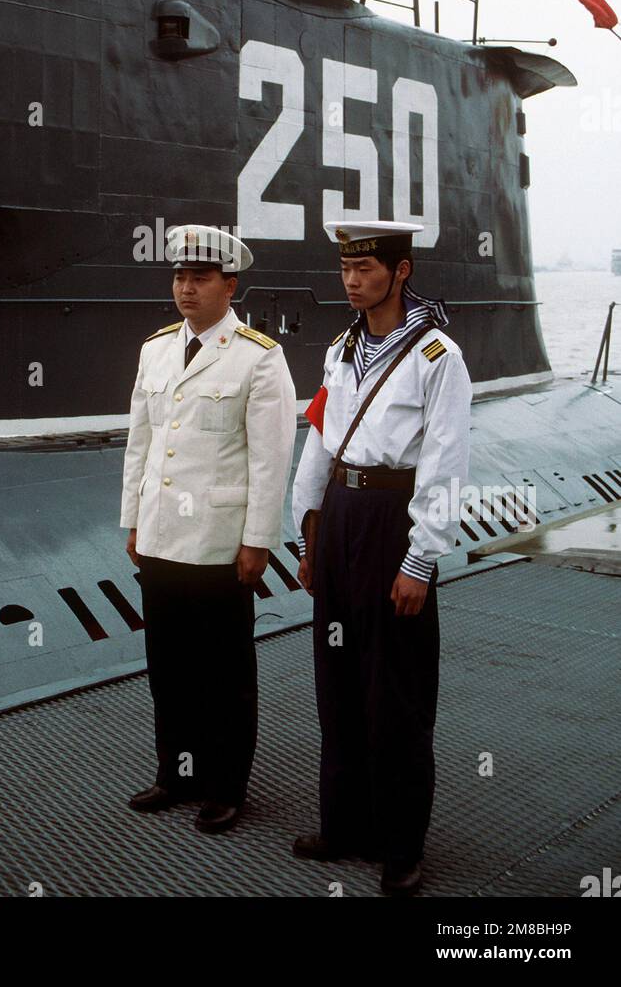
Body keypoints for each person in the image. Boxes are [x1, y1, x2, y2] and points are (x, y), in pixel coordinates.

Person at [290, 220, 472, 895]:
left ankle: (400, 846)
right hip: (340, 515)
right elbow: (320, 441)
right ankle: (343, 825)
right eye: (344, 268)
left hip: (392, 519)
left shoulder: (435, 356)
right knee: (335, 683)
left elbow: (446, 460)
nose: (350, 278)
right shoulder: (340, 349)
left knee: (392, 690)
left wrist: (421, 558)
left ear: (399, 272)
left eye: (365, 268)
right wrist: (306, 529)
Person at [121, 223, 296, 833]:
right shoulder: (156, 349)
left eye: (199, 278)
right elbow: (140, 445)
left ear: (231, 286)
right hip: (163, 538)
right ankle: (177, 774)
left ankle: (225, 787)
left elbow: (271, 460)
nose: (186, 288)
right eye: (179, 277)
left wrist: (257, 542)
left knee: (224, 675)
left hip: (220, 545)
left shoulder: (259, 357)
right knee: (168, 668)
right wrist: (133, 523)